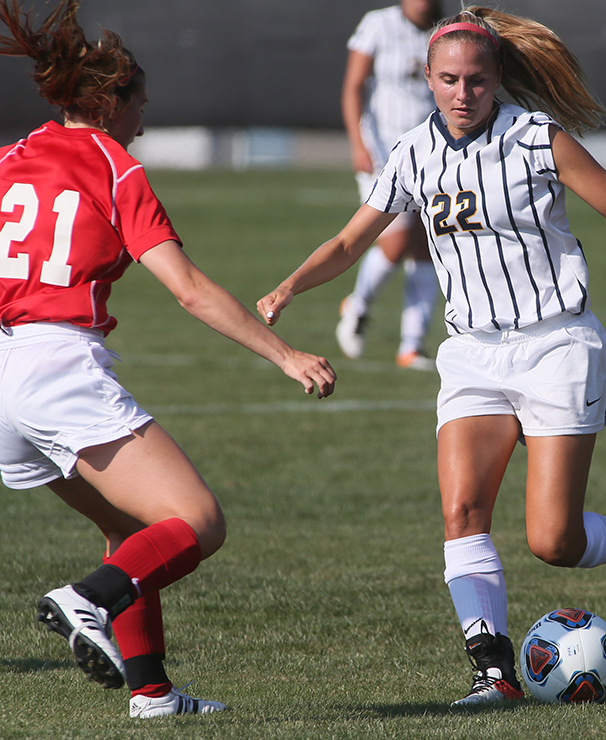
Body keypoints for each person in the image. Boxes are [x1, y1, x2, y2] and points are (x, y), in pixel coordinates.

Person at [258, 7, 606, 706]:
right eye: (448, 80)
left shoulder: (537, 139)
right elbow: (351, 243)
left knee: (553, 541)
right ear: (427, 79)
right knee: (462, 511)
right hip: (471, 353)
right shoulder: (411, 152)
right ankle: (494, 673)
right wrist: (290, 284)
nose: (462, 93)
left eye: (475, 80)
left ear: (497, 78)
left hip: (557, 345)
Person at [0, 0, 336, 719]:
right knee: (198, 522)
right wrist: (284, 353)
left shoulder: (10, 158)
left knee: (134, 530)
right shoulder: (117, 168)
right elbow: (187, 290)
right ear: (112, 101)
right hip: (58, 366)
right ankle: (85, 599)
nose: (144, 121)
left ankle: (151, 693)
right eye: (141, 105)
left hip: (4, 378)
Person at [337, 0, 443, 370]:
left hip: (431, 149)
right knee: (395, 242)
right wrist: (358, 143)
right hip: (383, 152)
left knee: (429, 244)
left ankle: (411, 346)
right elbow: (353, 87)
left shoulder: (446, 28)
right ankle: (358, 304)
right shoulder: (379, 24)